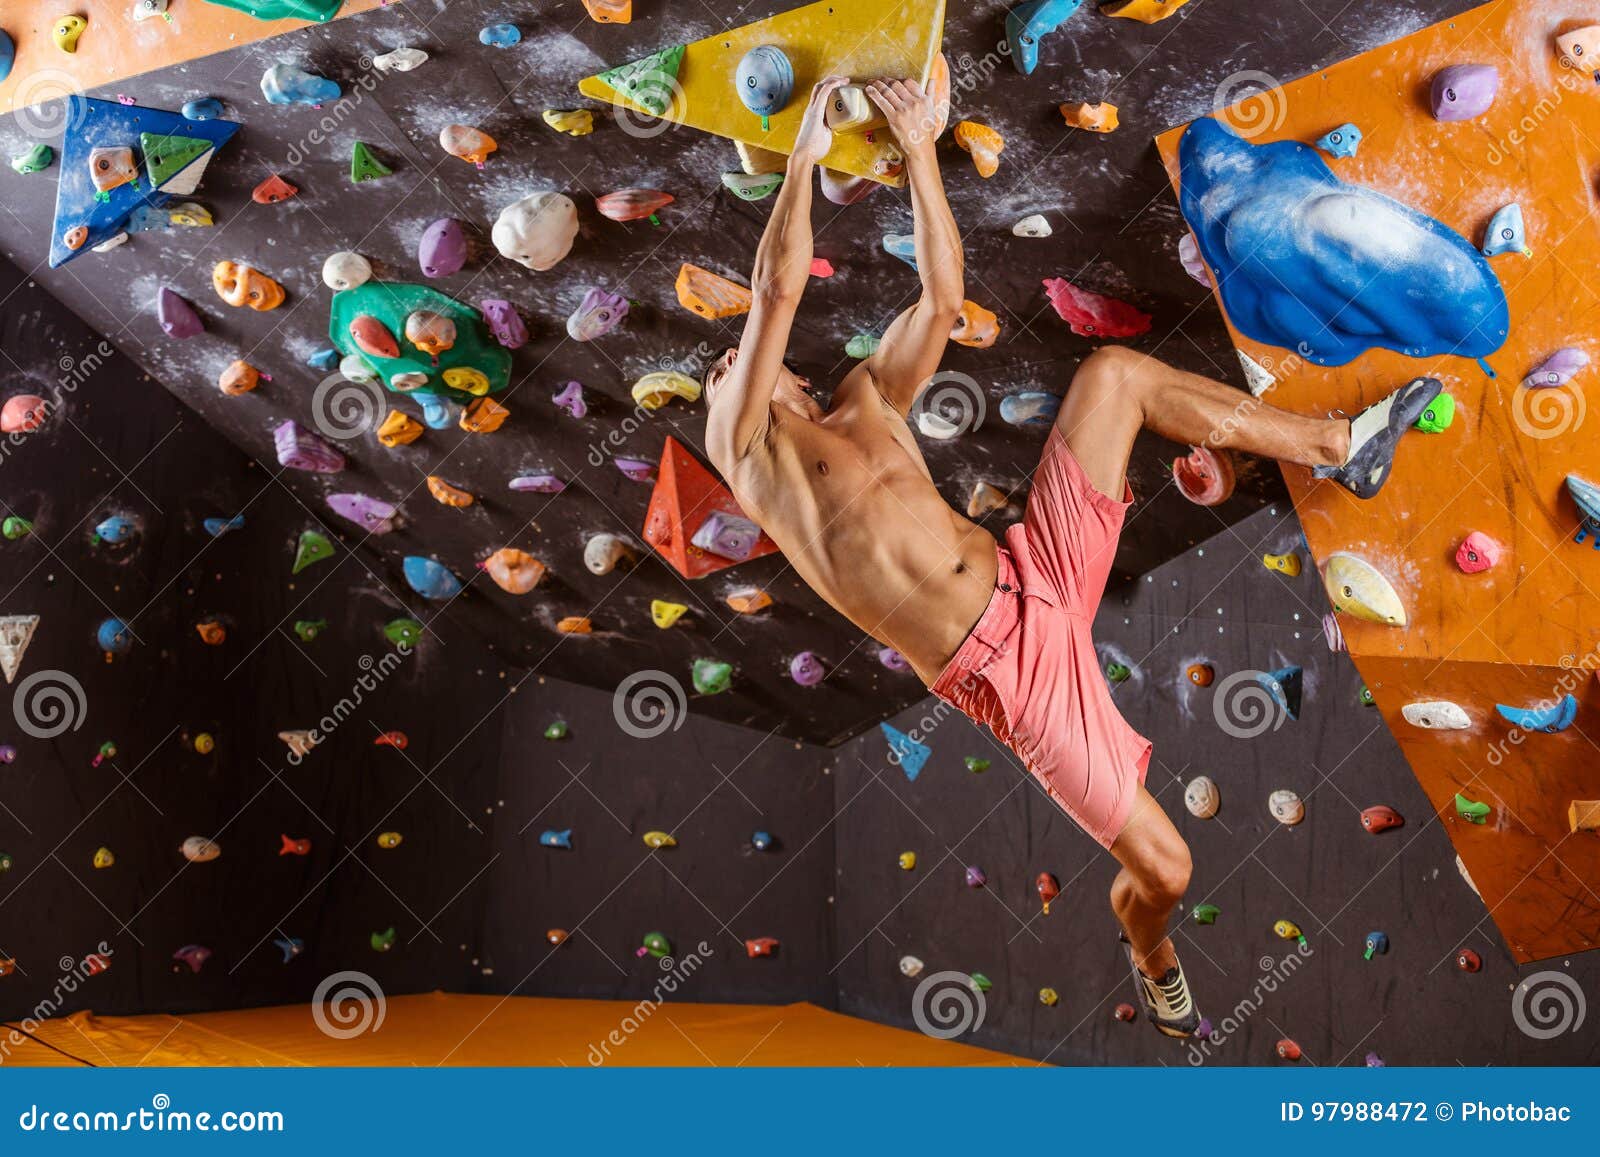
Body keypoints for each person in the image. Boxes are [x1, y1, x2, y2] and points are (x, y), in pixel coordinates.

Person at [704, 77, 1440, 1037]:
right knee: (1167, 869)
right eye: (717, 375)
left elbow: (942, 297)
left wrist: (921, 150)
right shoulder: (747, 450)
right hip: (1005, 668)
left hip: (1033, 567)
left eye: (723, 366)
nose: (721, 374)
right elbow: (774, 290)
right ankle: (1150, 949)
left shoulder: (866, 396)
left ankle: (1341, 448)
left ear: (792, 372)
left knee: (1116, 374)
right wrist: (803, 152)